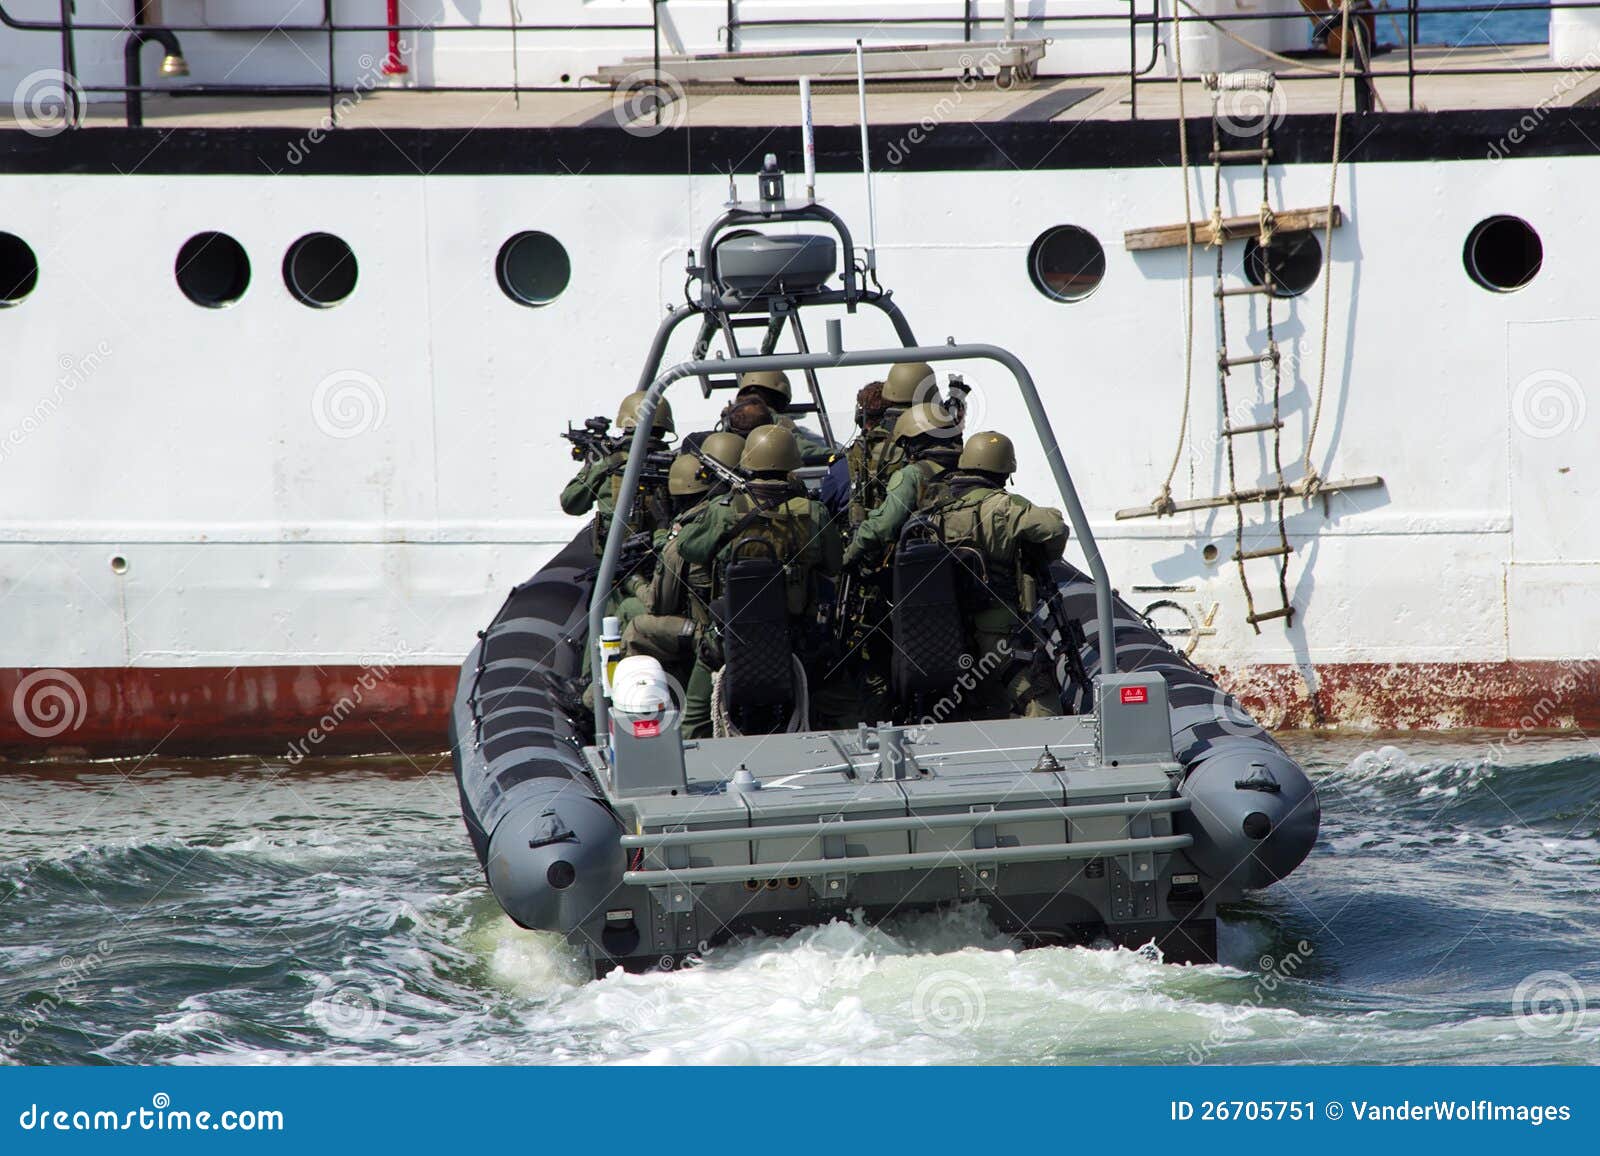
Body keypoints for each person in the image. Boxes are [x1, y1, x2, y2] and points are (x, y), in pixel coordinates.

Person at [673, 426, 842, 736]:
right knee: (841, 702)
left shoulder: (724, 511)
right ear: (792, 463)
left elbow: (688, 547)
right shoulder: (815, 513)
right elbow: (834, 563)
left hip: (726, 641)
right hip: (795, 639)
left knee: (693, 720)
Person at [910, 430, 1069, 719]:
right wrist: (1045, 555)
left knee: (982, 707)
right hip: (1000, 631)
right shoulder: (1003, 506)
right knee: (1041, 703)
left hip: (948, 634)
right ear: (1005, 470)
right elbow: (1055, 528)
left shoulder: (937, 510)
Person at [621, 431, 747, 687]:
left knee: (635, 624)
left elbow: (659, 605)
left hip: (709, 632)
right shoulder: (750, 511)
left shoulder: (688, 535)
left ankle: (609, 702)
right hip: (753, 625)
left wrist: (632, 581)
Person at [840, 402, 963, 571]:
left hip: (925, 568)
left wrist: (849, 555)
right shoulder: (967, 468)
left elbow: (884, 526)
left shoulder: (911, 475)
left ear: (914, 442)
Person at [734, 371, 833, 465]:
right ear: (779, 398)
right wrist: (839, 456)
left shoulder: (729, 421)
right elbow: (804, 451)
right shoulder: (777, 421)